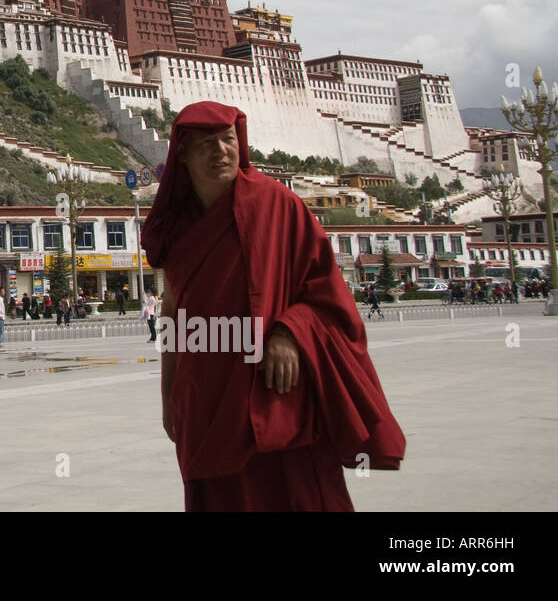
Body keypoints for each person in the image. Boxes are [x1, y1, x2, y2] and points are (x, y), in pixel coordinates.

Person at [143, 101, 405, 511]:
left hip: (274, 392)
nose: (221, 152)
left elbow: (329, 297)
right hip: (204, 398)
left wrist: (288, 332)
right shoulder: (177, 227)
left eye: (228, 140)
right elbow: (172, 312)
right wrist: (169, 396)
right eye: (207, 144)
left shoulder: (277, 206)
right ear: (182, 154)